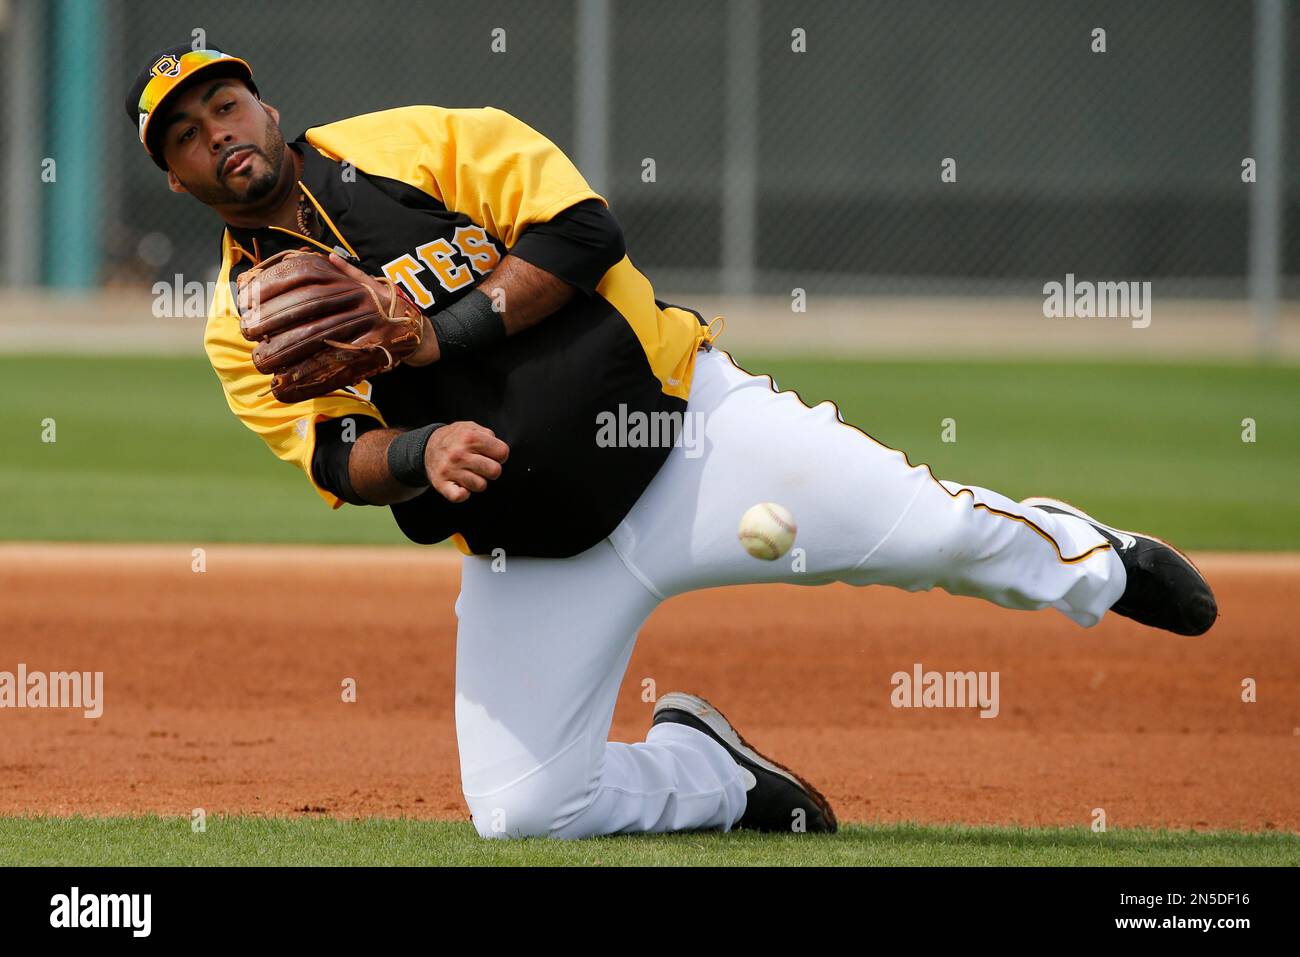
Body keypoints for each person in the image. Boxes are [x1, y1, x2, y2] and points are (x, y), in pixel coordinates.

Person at [127, 43, 1217, 839]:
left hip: (692, 437)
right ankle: (716, 778)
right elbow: (332, 457)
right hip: (533, 555)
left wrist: (430, 335)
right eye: (183, 134)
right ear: (173, 179)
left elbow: (582, 231)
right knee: (523, 810)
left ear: (267, 108)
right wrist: (417, 457)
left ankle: (1094, 562)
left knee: (936, 536)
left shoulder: (418, 144)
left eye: (224, 105)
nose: (214, 133)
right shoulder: (239, 324)